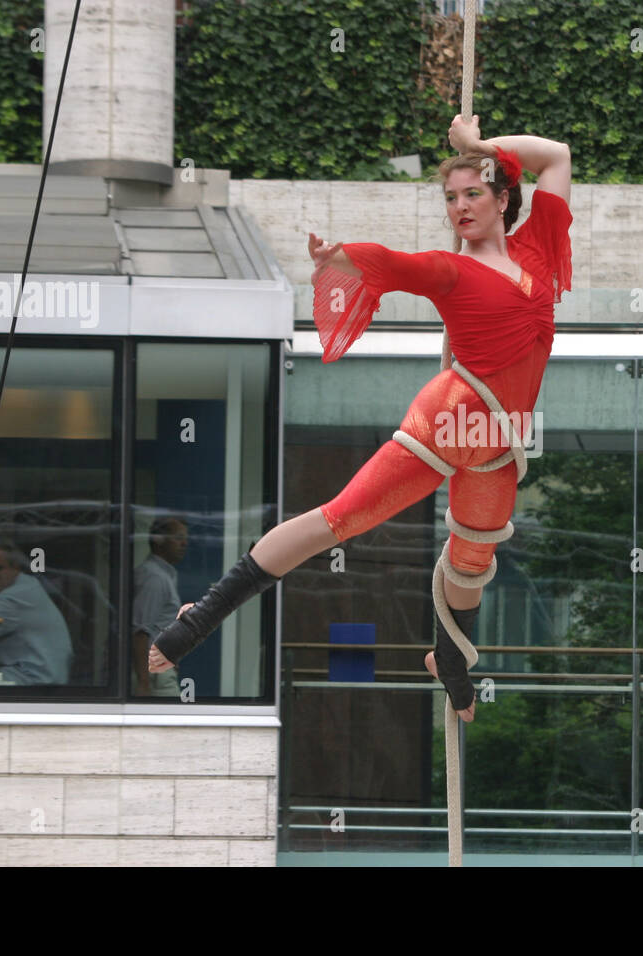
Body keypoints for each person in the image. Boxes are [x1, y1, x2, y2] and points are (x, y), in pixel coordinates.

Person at [149, 115, 572, 724]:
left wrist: (478, 146)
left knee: (475, 555)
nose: (459, 206)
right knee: (340, 519)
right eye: (450, 197)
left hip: (497, 440)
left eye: (472, 192)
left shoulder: (538, 249)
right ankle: (203, 615)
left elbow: (555, 156)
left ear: (505, 198)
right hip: (449, 419)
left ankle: (449, 660)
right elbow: (396, 264)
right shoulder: (452, 269)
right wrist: (342, 256)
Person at [0, 544, 73, 685]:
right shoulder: (28, 586)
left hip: (31, 679)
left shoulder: (14, 596)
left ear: (16, 568)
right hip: (40, 676)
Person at [131, 515, 188, 697]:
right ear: (158, 541)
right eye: (178, 538)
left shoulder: (164, 575)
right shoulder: (153, 578)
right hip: (153, 674)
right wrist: (144, 684)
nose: (184, 544)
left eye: (185, 539)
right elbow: (140, 631)